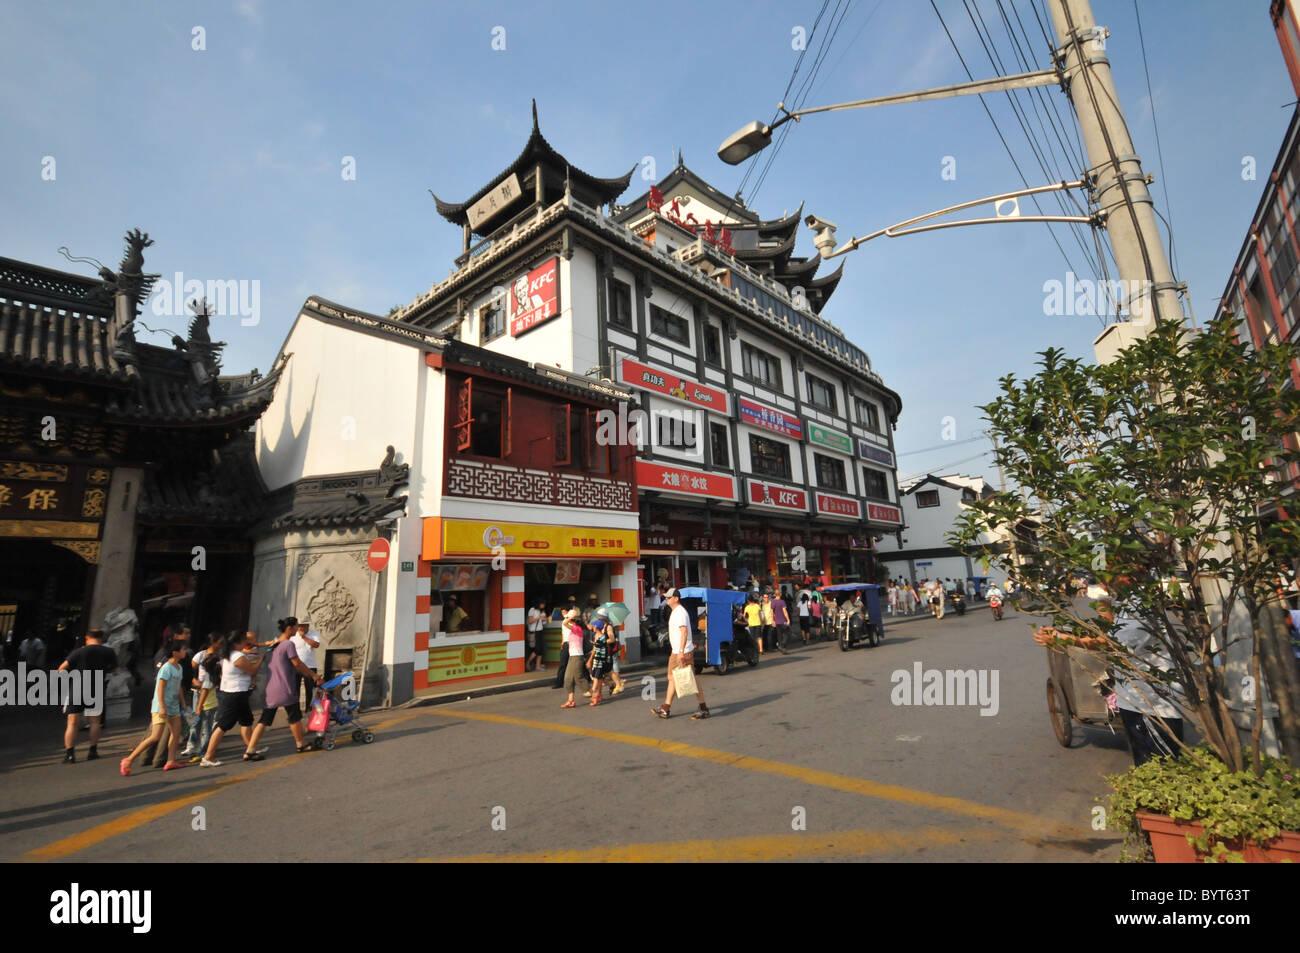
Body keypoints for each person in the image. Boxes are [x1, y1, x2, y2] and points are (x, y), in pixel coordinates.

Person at [1034, 585, 1185, 766]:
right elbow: (1109, 628)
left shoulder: (1141, 604)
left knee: (1162, 766)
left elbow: (1113, 643)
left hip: (1152, 702)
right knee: (1146, 766)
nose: (1104, 583)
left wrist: (1063, 638)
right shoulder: (1123, 597)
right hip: (1134, 700)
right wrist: (1104, 601)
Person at [246, 618, 321, 756]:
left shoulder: (272, 645)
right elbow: (297, 663)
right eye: (296, 627)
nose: (298, 630)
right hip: (285, 687)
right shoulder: (288, 644)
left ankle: (250, 749)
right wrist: (313, 675)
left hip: (271, 689)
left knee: (264, 719)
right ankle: (300, 743)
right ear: (289, 629)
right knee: (295, 717)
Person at [121, 636, 189, 775]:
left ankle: (170, 761)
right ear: (175, 652)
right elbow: (160, 688)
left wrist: (183, 703)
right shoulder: (166, 668)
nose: (185, 652)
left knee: (176, 734)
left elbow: (179, 687)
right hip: (161, 706)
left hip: (174, 706)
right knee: (155, 736)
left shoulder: (179, 667)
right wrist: (162, 706)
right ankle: (129, 760)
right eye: (182, 649)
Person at [201, 631, 264, 767]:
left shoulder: (228, 655)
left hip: (238, 692)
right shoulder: (237, 656)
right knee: (223, 725)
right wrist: (261, 659)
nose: (245, 644)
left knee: (246, 721)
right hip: (234, 694)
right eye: (243, 641)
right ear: (236, 643)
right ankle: (208, 756)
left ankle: (251, 749)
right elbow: (252, 670)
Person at [58, 628, 116, 763]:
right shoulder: (108, 652)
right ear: (102, 638)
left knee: (72, 723)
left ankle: (70, 754)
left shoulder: (79, 652)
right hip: (96, 687)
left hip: (77, 687)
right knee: (95, 722)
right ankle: (93, 751)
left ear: (87, 638)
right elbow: (114, 668)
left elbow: (62, 668)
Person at [650, 588, 708, 720]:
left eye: (669, 597)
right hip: (676, 652)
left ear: (676, 598)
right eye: (666, 597)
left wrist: (681, 651)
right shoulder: (675, 612)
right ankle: (666, 708)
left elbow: (684, 632)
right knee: (672, 677)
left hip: (683, 652)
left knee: (691, 679)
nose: (667, 599)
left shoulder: (680, 612)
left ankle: (703, 708)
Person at [182, 633, 221, 761]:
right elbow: (190, 671)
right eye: (219, 641)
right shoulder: (200, 655)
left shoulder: (220, 656)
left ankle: (203, 749)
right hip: (197, 691)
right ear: (213, 642)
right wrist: (194, 681)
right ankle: (192, 745)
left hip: (209, 693)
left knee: (206, 724)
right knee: (194, 721)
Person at [559, 608, 587, 709]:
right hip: (572, 656)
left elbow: (565, 623)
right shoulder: (574, 628)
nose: (567, 619)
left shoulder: (577, 629)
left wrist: (570, 616)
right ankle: (571, 700)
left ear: (573, 620)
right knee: (567, 678)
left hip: (577, 656)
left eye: (569, 618)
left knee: (579, 678)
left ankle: (594, 694)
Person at [291, 622, 321, 711]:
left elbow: (316, 645)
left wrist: (303, 637)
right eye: (298, 625)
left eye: (302, 626)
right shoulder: (293, 635)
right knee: (295, 689)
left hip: (310, 666)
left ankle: (309, 709)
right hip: (296, 666)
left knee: (310, 689)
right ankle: (295, 710)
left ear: (307, 625)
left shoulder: (313, 633)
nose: (300, 628)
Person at [585, 618, 613, 706]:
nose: (592, 627)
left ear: (596, 627)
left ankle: (594, 697)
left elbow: (595, 650)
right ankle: (599, 695)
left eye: (594, 626)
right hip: (601, 660)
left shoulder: (600, 638)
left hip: (598, 661)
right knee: (599, 678)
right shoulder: (602, 636)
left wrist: (589, 660)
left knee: (595, 681)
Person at [526, 600, 547, 672]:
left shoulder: (542, 611)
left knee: (540, 649)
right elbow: (530, 621)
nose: (543, 605)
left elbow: (543, 622)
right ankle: (528, 661)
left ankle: (537, 667)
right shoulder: (532, 610)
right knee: (536, 649)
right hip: (534, 631)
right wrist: (539, 618)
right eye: (542, 604)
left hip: (540, 630)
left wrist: (544, 619)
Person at [771, 589, 790, 654]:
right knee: (786, 633)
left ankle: (781, 646)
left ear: (775, 595)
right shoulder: (782, 602)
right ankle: (782, 645)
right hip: (783, 620)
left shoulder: (773, 602)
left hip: (777, 621)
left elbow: (771, 612)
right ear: (780, 594)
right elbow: (784, 611)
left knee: (779, 635)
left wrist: (773, 620)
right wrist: (788, 619)